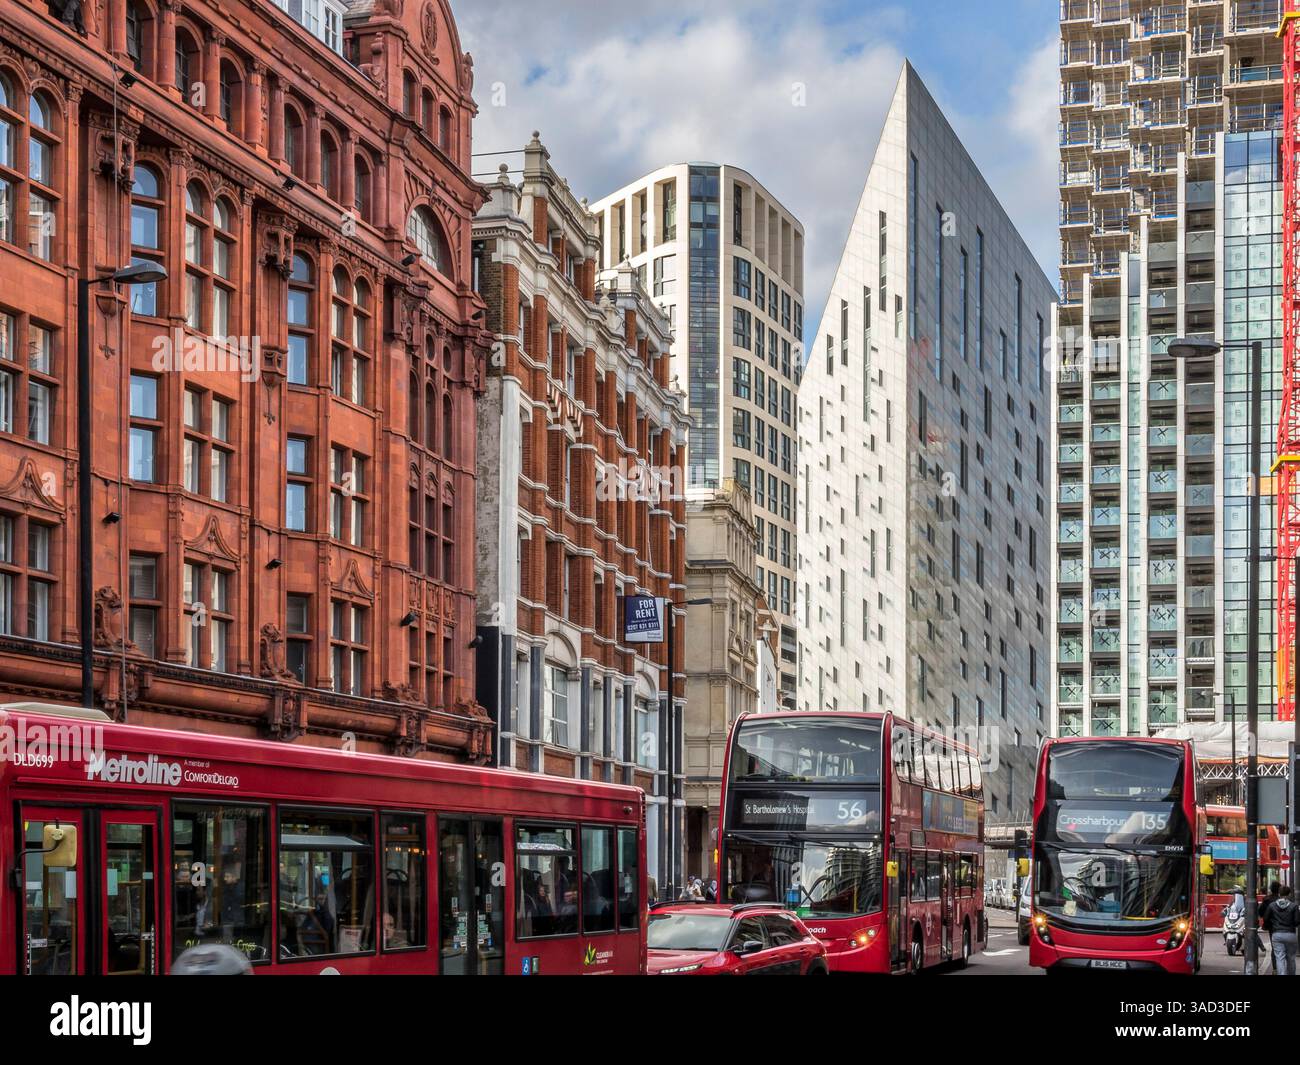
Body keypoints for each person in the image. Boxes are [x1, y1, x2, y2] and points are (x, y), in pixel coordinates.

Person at [1263, 885, 1298, 976]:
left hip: (1277, 934)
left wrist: (1271, 925)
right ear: (1289, 894)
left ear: (1279, 894)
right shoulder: (1294, 906)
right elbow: (1297, 921)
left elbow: (1266, 918)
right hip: (1290, 934)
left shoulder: (1272, 905)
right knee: (1291, 958)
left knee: (1279, 957)